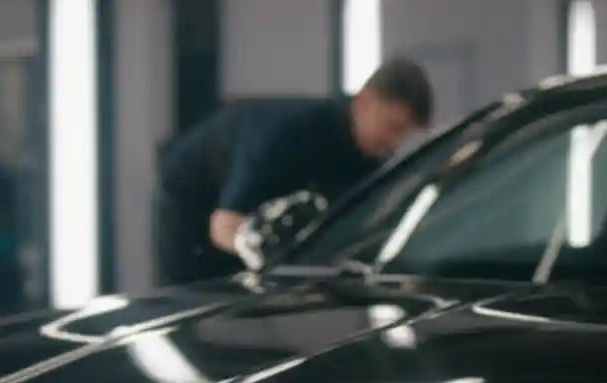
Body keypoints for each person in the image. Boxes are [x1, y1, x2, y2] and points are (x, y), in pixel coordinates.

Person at [155, 55, 434, 285]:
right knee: (200, 301)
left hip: (256, 212)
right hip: (194, 200)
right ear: (363, 103)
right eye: (393, 128)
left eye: (405, 135)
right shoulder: (288, 135)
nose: (394, 145)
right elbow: (224, 225)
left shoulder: (369, 158)